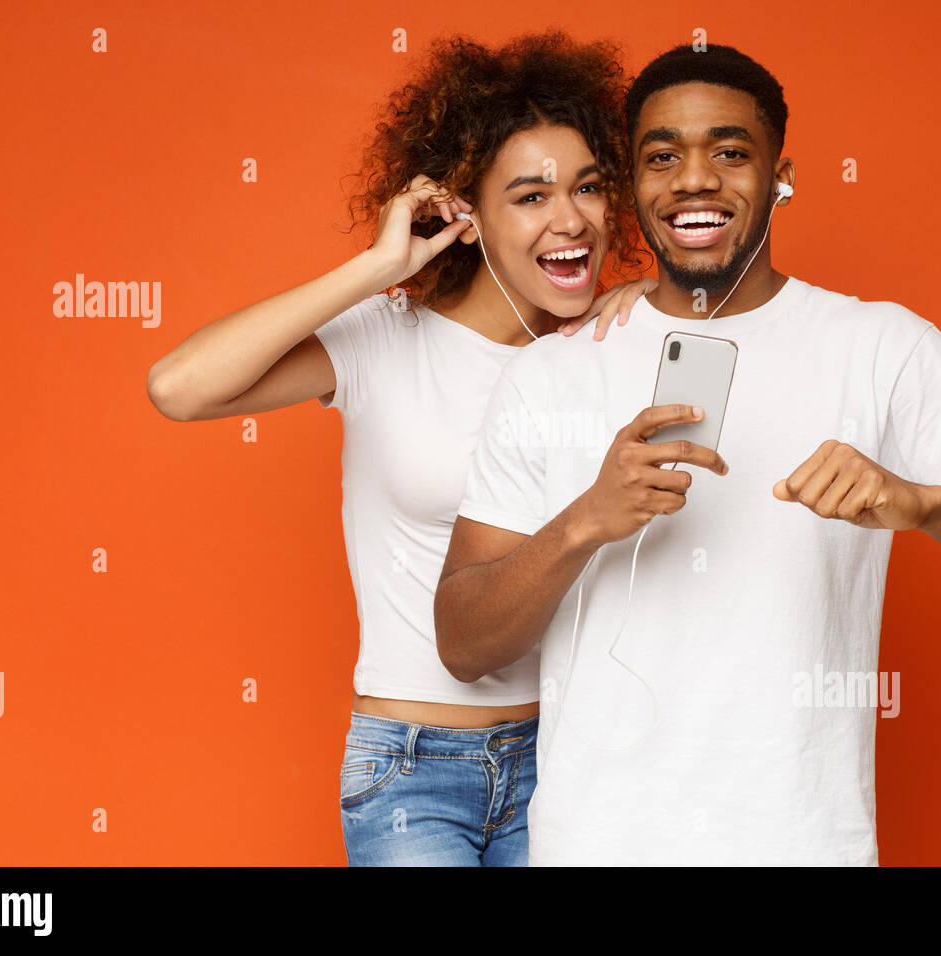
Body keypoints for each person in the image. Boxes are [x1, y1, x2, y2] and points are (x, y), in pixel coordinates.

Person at [435, 43, 941, 865]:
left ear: (782, 177)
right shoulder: (552, 373)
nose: (694, 179)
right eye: (662, 157)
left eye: (730, 153)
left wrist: (926, 505)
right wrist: (583, 523)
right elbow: (464, 645)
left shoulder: (882, 347)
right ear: (633, 184)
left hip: (802, 843)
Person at [145, 31, 652, 866]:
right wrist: (378, 266)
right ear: (467, 216)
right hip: (414, 769)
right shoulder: (388, 337)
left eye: (589, 188)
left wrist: (656, 306)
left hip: (569, 760)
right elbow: (179, 387)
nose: (571, 220)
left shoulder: (612, 348)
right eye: (531, 196)